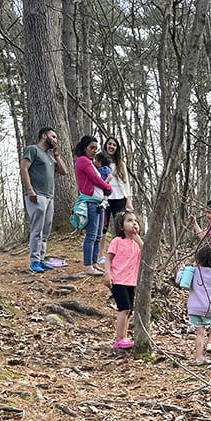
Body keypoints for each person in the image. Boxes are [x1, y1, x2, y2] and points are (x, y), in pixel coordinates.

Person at [176, 242, 211, 366]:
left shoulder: (193, 271)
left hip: (194, 308)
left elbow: (179, 280)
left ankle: (199, 357)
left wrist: (182, 270)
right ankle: (210, 343)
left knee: (200, 333)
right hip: (210, 309)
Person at [20, 126, 68, 273]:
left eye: (56, 138)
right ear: (43, 136)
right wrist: (30, 189)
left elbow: (64, 171)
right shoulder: (32, 150)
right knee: (37, 229)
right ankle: (34, 261)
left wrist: (57, 154)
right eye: (52, 136)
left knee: (45, 230)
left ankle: (41, 259)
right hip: (36, 195)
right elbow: (24, 169)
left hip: (49, 196)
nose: (55, 139)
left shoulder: (50, 156)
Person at [103, 210, 143, 349]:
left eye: (135, 221)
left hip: (131, 281)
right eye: (129, 221)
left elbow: (146, 252)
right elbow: (108, 259)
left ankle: (123, 338)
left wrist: (137, 237)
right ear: (121, 226)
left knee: (129, 310)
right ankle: (119, 338)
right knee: (124, 308)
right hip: (118, 280)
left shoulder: (137, 243)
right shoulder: (117, 241)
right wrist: (107, 274)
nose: (134, 224)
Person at [74, 135, 112, 275]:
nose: (94, 151)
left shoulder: (91, 162)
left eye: (96, 148)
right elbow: (95, 179)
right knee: (91, 235)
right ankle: (88, 265)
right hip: (90, 202)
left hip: (99, 202)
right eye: (91, 148)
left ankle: (95, 263)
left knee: (97, 235)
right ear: (84, 148)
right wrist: (108, 187)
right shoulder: (83, 161)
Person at [98, 136, 133, 264]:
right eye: (109, 144)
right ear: (106, 145)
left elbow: (126, 183)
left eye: (114, 145)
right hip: (105, 197)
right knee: (103, 227)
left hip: (119, 198)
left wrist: (128, 201)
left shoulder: (120, 164)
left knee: (121, 227)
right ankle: (100, 255)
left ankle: (121, 254)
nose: (111, 147)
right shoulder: (100, 161)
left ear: (117, 148)